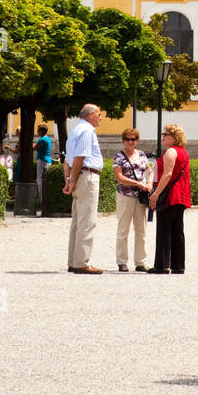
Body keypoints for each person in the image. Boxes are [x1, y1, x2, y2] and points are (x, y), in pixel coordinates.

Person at [63, 103, 104, 274]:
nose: (101, 118)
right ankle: (82, 262)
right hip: (87, 176)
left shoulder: (75, 131)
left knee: (78, 221)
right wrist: (71, 181)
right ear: (91, 115)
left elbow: (68, 160)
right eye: (99, 114)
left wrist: (68, 180)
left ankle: (74, 261)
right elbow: (79, 157)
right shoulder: (87, 131)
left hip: (78, 176)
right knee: (87, 221)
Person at [149, 123, 191, 274]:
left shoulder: (171, 152)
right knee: (177, 231)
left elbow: (167, 174)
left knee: (164, 230)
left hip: (170, 195)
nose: (163, 137)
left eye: (165, 134)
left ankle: (161, 265)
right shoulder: (183, 152)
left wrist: (156, 194)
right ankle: (178, 265)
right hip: (181, 195)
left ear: (174, 137)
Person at [113, 128, 152, 271]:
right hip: (125, 195)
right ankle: (122, 261)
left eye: (134, 139)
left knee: (141, 229)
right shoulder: (119, 156)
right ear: (123, 141)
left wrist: (148, 183)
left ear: (137, 141)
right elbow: (119, 177)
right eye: (128, 139)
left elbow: (149, 171)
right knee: (123, 229)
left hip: (140, 197)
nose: (131, 142)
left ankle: (140, 262)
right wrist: (137, 183)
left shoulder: (141, 154)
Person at [33, 124, 51, 203]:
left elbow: (34, 147)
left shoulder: (41, 139)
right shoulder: (48, 139)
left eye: (38, 130)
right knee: (46, 179)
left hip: (42, 160)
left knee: (39, 179)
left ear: (41, 131)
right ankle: (46, 197)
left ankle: (42, 198)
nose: (37, 132)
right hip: (48, 160)